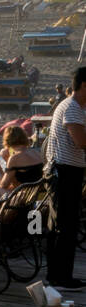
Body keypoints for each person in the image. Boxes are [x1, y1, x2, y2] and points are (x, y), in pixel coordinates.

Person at [43, 67, 86, 291]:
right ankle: (59, 277)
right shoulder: (71, 108)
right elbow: (81, 141)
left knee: (66, 224)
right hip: (63, 171)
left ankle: (61, 275)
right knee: (63, 225)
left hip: (70, 170)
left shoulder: (79, 108)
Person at [0, 125, 43, 194]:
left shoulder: (14, 158)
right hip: (40, 194)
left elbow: (3, 185)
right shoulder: (36, 153)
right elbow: (27, 177)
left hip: (27, 197)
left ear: (7, 140)